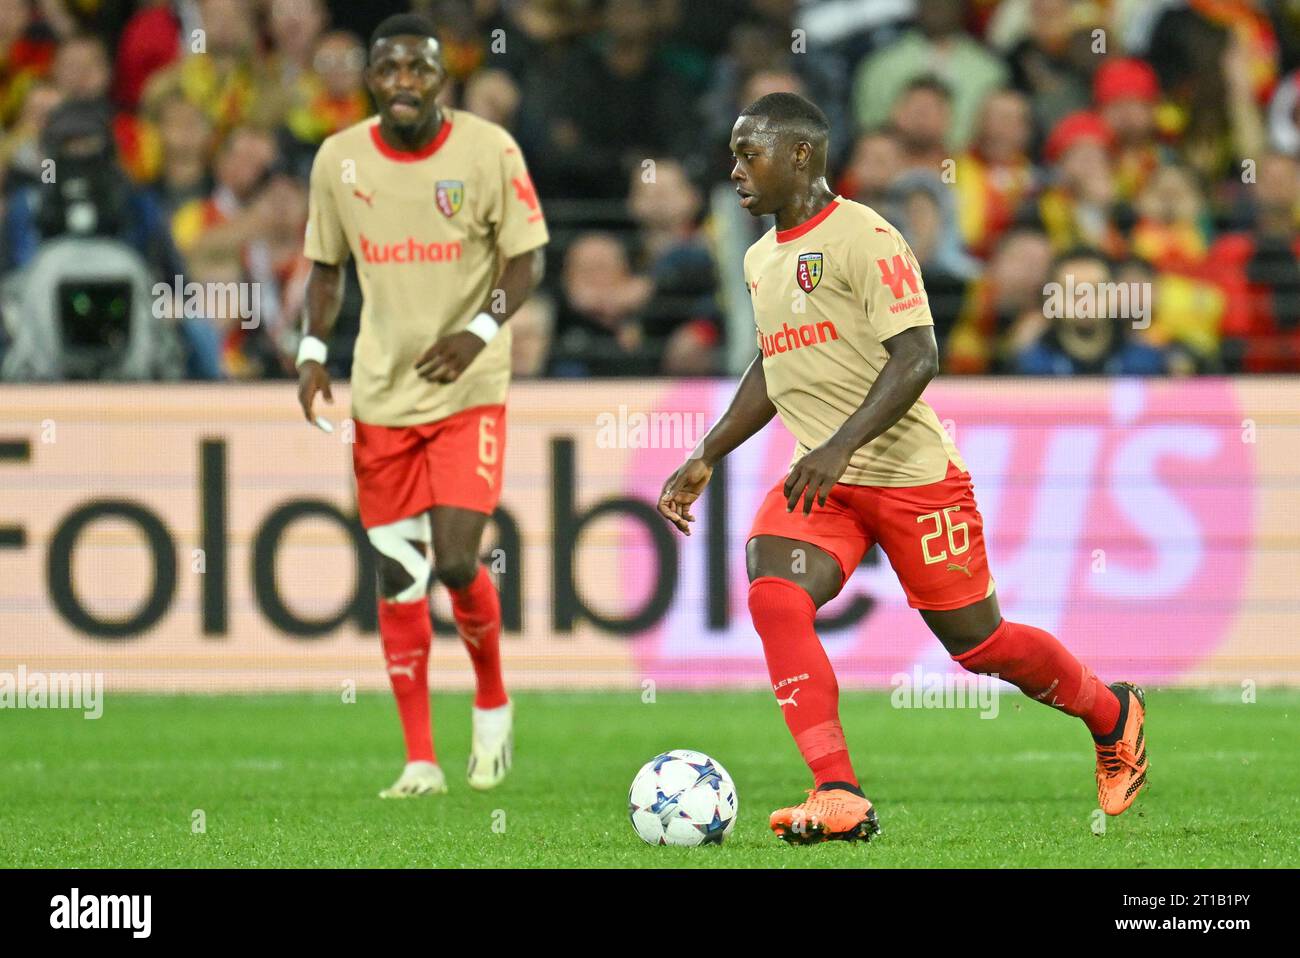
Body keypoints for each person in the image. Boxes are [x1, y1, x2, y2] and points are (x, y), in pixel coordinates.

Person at [657, 92, 1148, 844]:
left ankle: (1112, 712)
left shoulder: (868, 237)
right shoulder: (761, 258)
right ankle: (837, 789)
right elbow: (773, 364)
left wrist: (840, 445)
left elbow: (918, 356)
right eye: (732, 155)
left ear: (800, 156)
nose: (733, 172)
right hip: (825, 481)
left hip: (910, 476)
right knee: (774, 594)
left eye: (747, 154)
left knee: (979, 645)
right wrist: (706, 453)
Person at [296, 13, 549, 798]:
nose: (405, 80)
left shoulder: (488, 149)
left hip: (469, 390)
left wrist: (478, 332)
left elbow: (526, 257)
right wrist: (310, 353)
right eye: (390, 68)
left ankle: (492, 698)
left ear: (444, 78)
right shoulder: (339, 160)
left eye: (420, 68)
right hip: (380, 394)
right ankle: (419, 760)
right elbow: (326, 269)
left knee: (457, 558)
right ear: (371, 78)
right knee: (397, 573)